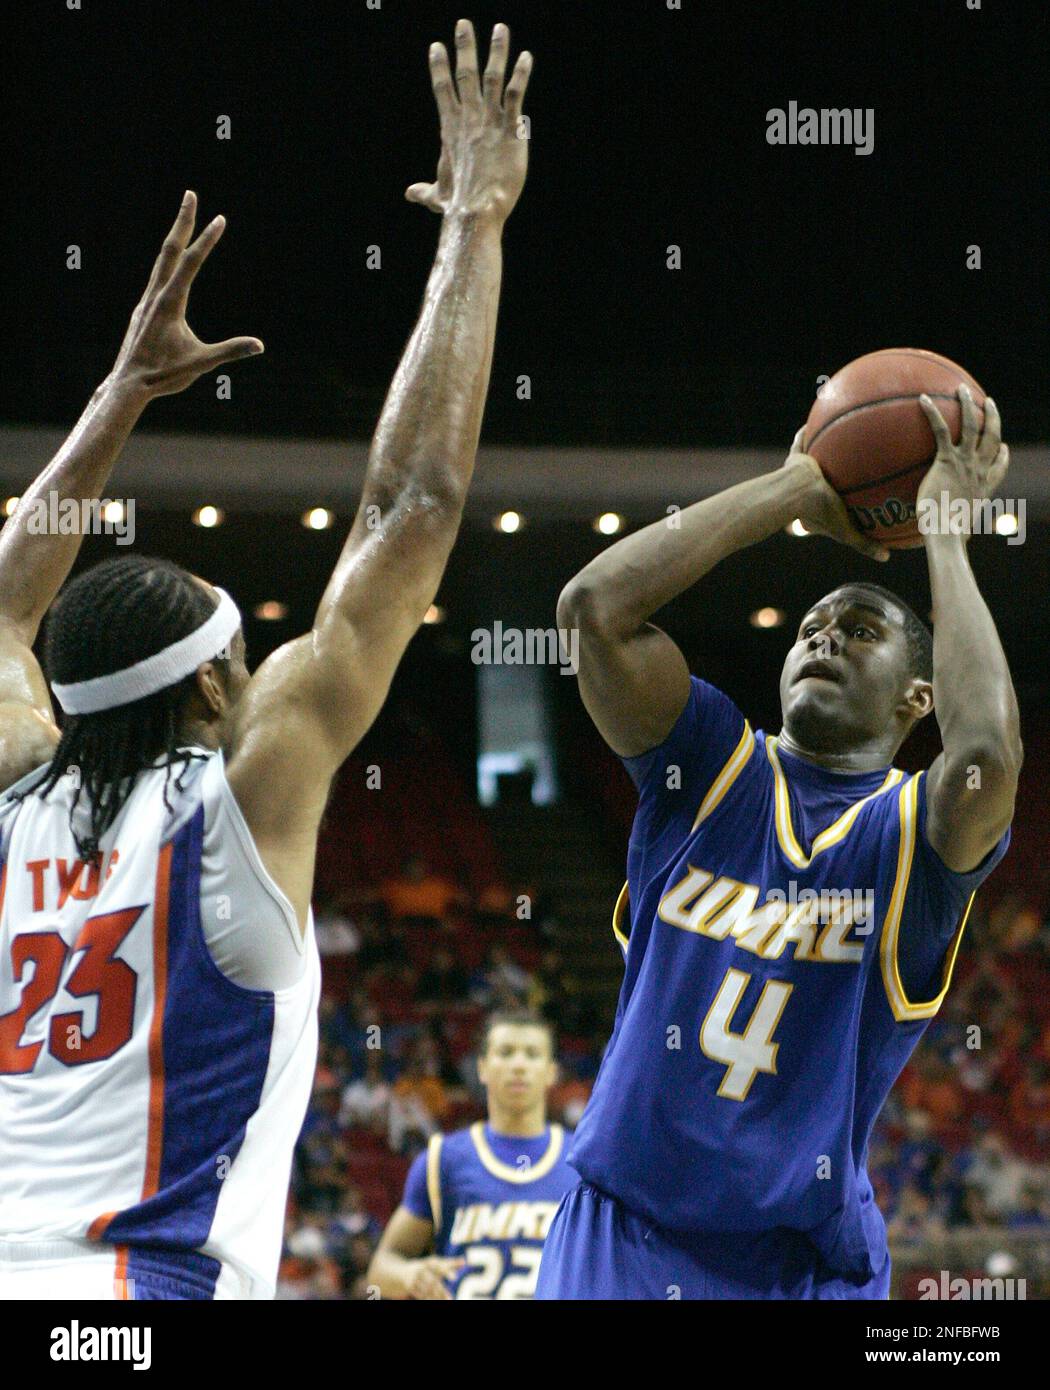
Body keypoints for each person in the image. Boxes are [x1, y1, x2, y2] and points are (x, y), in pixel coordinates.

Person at [0, 18, 531, 1300]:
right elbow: (410, 510)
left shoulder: (16, 792)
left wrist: (120, 391)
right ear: (207, 686)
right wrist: (473, 233)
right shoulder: (247, 796)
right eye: (239, 647)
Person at [537, 388, 1020, 1299]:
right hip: (623, 1233)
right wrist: (796, 487)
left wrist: (945, 531)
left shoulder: (909, 836)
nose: (824, 637)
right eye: (810, 629)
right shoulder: (707, 765)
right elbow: (595, 605)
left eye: (861, 631)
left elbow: (988, 753)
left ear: (918, 697)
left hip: (797, 1266)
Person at [367, 1011, 577, 1299]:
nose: (518, 1065)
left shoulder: (580, 1163)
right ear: (482, 1068)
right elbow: (381, 1267)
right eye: (505, 1053)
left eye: (532, 1054)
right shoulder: (443, 1159)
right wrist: (409, 1275)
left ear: (552, 1071)